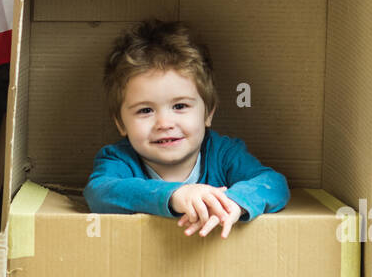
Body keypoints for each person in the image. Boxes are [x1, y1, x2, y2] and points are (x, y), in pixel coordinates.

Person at [84, 19, 289, 239]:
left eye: (180, 106)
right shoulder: (119, 160)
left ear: (208, 113)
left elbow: (274, 183)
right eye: (145, 111)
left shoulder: (224, 154)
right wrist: (175, 195)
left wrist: (233, 202)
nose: (164, 123)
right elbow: (99, 192)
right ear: (121, 123)